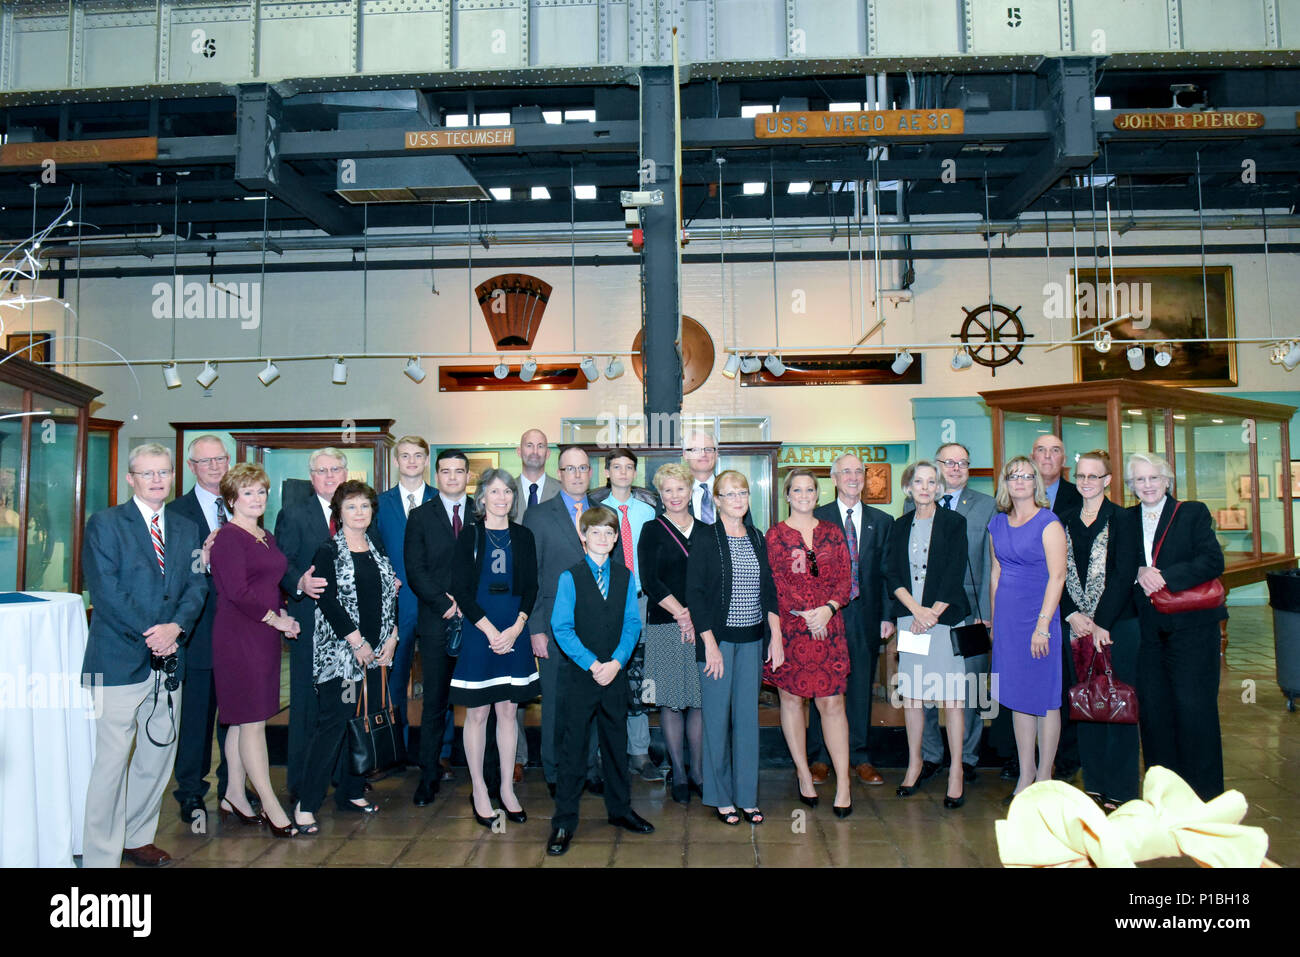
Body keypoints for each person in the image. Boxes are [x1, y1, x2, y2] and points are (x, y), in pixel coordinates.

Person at [81, 443, 207, 867]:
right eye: (147, 473)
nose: (157, 480)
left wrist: (176, 629)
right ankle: (100, 856)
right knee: (111, 766)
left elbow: (197, 587)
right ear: (131, 479)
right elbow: (106, 591)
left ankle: (137, 838)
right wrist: (152, 634)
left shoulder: (186, 527)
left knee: (156, 757)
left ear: (173, 476)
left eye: (164, 472)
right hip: (118, 660)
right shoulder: (106, 524)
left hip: (170, 659)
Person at [546, 506, 655, 856]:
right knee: (574, 749)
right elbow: (561, 627)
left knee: (615, 744)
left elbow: (631, 624)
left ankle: (620, 810)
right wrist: (594, 664)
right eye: (596, 532)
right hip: (582, 675)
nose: (603, 539)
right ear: (583, 536)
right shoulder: (570, 577)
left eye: (609, 533)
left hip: (615, 674)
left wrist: (618, 662)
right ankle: (564, 821)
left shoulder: (624, 576)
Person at [293, 481, 398, 832]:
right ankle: (307, 805)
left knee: (361, 720)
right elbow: (328, 602)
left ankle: (351, 791)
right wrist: (357, 643)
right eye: (351, 507)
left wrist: (393, 636)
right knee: (333, 725)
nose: (359, 513)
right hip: (343, 655)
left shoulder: (376, 545)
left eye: (365, 506)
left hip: (376, 652)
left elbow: (390, 592)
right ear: (339, 512)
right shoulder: (328, 551)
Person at [1127, 451, 1227, 801]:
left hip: (1194, 628)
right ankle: (1162, 797)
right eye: (1140, 479)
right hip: (1149, 632)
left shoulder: (1192, 513)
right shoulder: (1125, 519)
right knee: (1154, 714)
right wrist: (1138, 573)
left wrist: (1163, 578)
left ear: (1167, 480)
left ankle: (1205, 798)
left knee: (1195, 709)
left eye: (1154, 477)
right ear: (1131, 486)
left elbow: (1213, 561)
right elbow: (1119, 568)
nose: (1148, 485)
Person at [685, 470, 782, 827]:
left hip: (753, 641)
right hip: (718, 643)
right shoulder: (706, 538)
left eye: (742, 492)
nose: (738, 499)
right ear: (717, 500)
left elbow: (769, 590)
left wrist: (776, 636)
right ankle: (721, 798)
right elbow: (694, 593)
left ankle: (747, 797)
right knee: (715, 721)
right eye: (729, 494)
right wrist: (708, 643)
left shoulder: (757, 537)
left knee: (746, 721)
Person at [210, 462, 302, 837]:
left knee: (243, 718)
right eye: (247, 492)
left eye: (261, 491)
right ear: (231, 498)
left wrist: (283, 613)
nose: (256, 498)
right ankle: (269, 801)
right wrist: (275, 619)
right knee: (252, 722)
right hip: (238, 636)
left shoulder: (265, 534)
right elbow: (237, 593)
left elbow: (268, 583)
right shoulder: (229, 537)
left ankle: (234, 792)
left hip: (263, 633)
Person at [448, 470, 539, 826]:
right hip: (478, 630)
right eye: (494, 491)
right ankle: (479, 790)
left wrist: (515, 629)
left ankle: (506, 788)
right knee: (478, 714)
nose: (502, 497)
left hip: (514, 630)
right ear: (482, 498)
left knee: (507, 712)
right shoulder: (468, 536)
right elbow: (460, 589)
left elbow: (531, 586)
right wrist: (490, 631)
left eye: (508, 492)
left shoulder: (524, 536)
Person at [767, 468, 854, 816]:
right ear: (786, 495)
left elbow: (845, 578)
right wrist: (804, 615)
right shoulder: (775, 536)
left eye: (810, 490)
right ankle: (803, 773)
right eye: (797, 490)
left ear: (818, 495)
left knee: (832, 705)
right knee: (791, 701)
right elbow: (773, 584)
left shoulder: (833, 532)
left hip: (829, 627)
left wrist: (827, 610)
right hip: (791, 628)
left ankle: (844, 782)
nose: (804, 495)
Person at [887, 461, 972, 809]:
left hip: (944, 619)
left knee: (952, 698)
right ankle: (915, 763)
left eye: (931, 481)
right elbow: (891, 573)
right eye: (918, 481)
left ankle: (956, 771)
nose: (925, 487)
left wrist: (931, 613)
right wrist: (916, 612)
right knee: (914, 698)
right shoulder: (899, 525)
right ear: (908, 487)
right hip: (912, 621)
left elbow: (955, 572)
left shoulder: (954, 523)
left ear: (938, 487)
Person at [1059, 450, 1141, 808]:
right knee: (1086, 705)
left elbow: (1124, 575)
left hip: (1118, 626)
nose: (1087, 482)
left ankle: (1121, 790)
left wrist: (1101, 622)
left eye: (1094, 476)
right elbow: (1054, 575)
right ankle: (1093, 784)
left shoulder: (1124, 519)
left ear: (1108, 480)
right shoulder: (1060, 520)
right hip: (1076, 627)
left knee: (1119, 705)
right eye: (1081, 476)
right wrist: (1073, 614)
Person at [915, 443, 996, 786]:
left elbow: (992, 562)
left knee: (972, 687)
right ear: (936, 466)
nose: (956, 468)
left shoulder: (986, 505)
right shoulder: (915, 502)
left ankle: (966, 757)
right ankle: (931, 755)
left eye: (963, 462)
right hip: (923, 616)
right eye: (949, 462)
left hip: (970, 613)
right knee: (923, 684)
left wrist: (987, 614)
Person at [810, 453, 894, 788]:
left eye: (859, 471)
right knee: (822, 686)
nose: (853, 477)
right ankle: (819, 757)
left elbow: (889, 573)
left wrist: (888, 616)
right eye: (846, 471)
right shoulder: (817, 517)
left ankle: (860, 756)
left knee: (861, 686)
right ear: (834, 478)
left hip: (866, 615)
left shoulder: (882, 521)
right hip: (826, 616)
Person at [524, 445, 602, 795]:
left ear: (590, 473)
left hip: (597, 625)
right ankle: (555, 772)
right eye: (569, 469)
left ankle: (589, 768)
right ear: (560, 473)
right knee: (556, 701)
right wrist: (536, 628)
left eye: (582, 468)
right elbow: (532, 576)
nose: (576, 475)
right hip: (554, 626)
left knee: (592, 697)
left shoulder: (603, 513)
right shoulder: (539, 515)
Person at [989, 456, 1068, 802]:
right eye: (1012, 476)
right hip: (1008, 621)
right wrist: (995, 623)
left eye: (1026, 475)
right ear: (1005, 483)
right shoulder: (997, 524)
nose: (1019, 481)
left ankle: (1046, 778)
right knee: (1019, 700)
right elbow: (996, 573)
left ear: (1036, 482)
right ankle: (1026, 775)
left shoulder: (1049, 523)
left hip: (1039, 620)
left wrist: (1043, 626)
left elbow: (1058, 576)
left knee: (1045, 700)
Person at [166, 434, 234, 823]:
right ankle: (190, 792)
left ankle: (233, 788)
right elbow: (174, 576)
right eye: (205, 461)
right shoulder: (176, 513)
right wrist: (204, 561)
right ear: (191, 467)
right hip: (198, 633)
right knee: (196, 719)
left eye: (219, 459)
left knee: (237, 718)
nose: (213, 467)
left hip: (240, 631)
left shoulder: (245, 504)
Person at [405, 449, 475, 807]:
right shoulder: (420, 516)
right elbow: (414, 569)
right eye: (445, 471)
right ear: (437, 474)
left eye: (458, 471)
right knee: (434, 703)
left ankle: (485, 778)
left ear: (467, 475)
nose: (452, 477)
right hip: (437, 621)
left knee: (482, 702)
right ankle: (427, 776)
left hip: (478, 624)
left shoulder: (481, 510)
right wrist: (446, 603)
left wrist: (470, 604)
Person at [274, 448, 344, 798]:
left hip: (349, 628)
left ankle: (341, 776)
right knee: (306, 703)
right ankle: (301, 783)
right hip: (310, 622)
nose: (329, 476)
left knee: (343, 703)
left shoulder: (359, 509)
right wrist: (298, 582)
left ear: (345, 473)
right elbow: (280, 563)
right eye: (321, 470)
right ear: (311, 476)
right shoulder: (294, 514)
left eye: (335, 469)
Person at [590, 447, 662, 782]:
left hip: (642, 600)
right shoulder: (595, 511)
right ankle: (608, 751)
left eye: (628, 467)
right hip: (607, 602)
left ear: (635, 472)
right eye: (616, 466)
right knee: (609, 672)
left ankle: (639, 751)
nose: (622, 472)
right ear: (607, 472)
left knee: (641, 677)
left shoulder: (647, 510)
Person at [638, 463, 704, 803]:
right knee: (672, 701)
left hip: (703, 628)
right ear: (660, 495)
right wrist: (681, 613)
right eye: (667, 490)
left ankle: (698, 772)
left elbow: (712, 581)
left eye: (680, 489)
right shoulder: (651, 530)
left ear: (691, 491)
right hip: (666, 624)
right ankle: (678, 771)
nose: (674, 496)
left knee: (699, 701)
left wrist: (697, 618)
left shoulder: (708, 530)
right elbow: (650, 580)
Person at [375, 435, 436, 765]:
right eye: (405, 456)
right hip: (395, 604)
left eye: (418, 456)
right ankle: (393, 752)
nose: (411, 461)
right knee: (393, 682)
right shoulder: (378, 504)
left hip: (435, 604)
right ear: (396, 462)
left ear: (426, 461)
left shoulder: (442, 500)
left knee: (437, 682)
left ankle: (437, 754)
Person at [508, 427, 559, 779]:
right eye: (530, 444)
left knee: (555, 683)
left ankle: (557, 756)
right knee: (515, 682)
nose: (535, 451)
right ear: (519, 450)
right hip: (511, 597)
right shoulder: (504, 489)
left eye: (541, 445)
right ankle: (517, 757)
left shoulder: (562, 489)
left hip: (553, 600)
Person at [1032, 432, 1083, 778]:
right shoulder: (1015, 493)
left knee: (1064, 682)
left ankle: (1064, 759)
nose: (1048, 457)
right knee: (1026, 681)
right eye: (1041, 450)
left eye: (1055, 451)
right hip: (1024, 602)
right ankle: (1025, 757)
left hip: (1067, 607)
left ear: (1064, 459)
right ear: (1032, 457)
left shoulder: (1078, 496)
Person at [683, 430, 721, 523]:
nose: (703, 454)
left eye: (708, 449)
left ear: (716, 454)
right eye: (696, 449)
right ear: (685, 455)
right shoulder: (671, 493)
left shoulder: (733, 491)